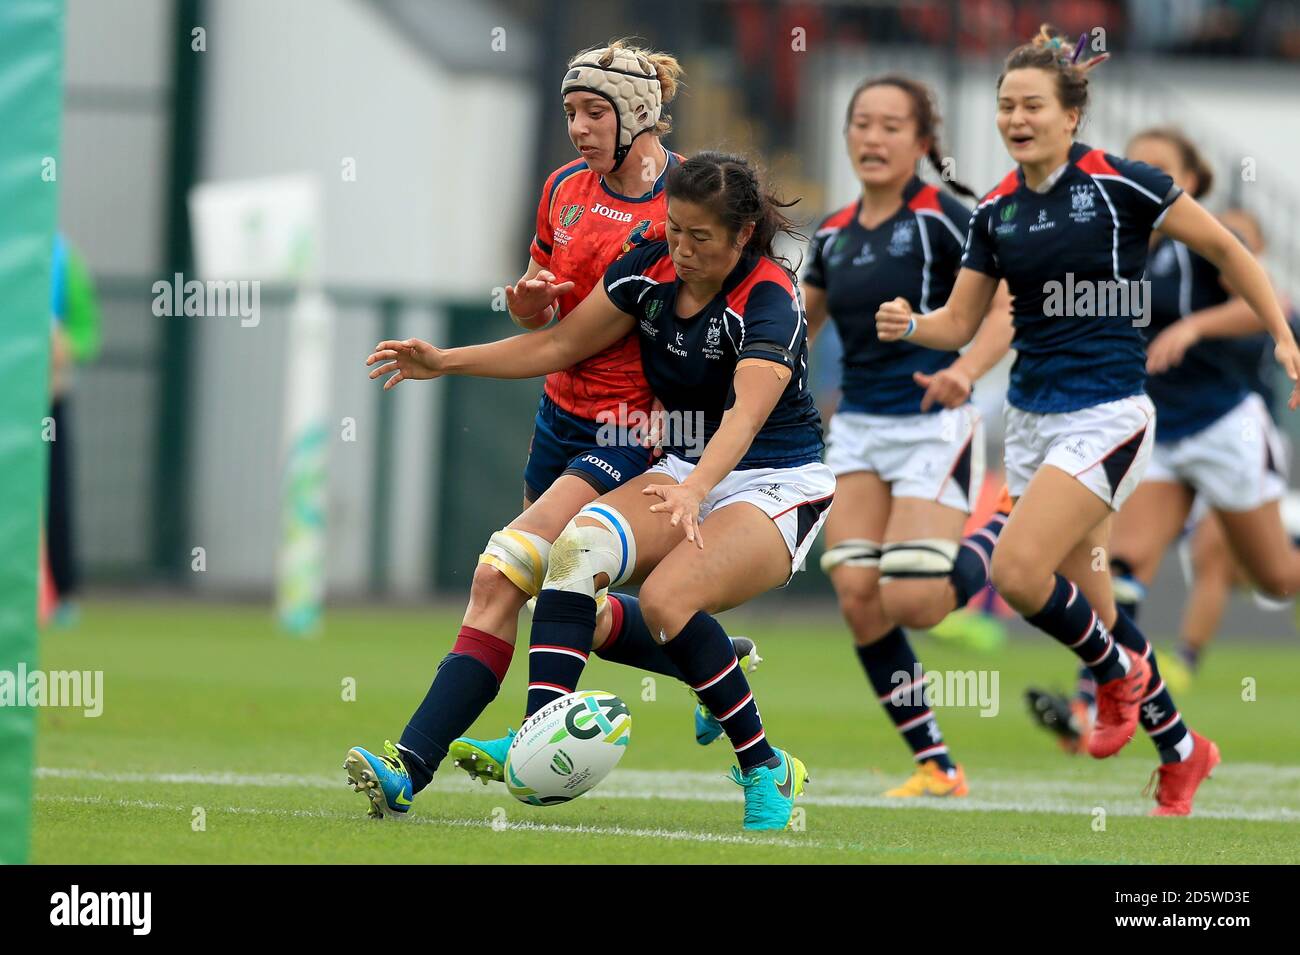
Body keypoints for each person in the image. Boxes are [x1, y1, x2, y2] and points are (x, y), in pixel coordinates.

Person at [877, 26, 1300, 815]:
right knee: (1098, 611)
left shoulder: (1122, 184)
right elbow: (964, 320)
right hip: (1036, 424)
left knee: (1016, 573)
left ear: (1072, 116)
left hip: (1108, 415)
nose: (1016, 117)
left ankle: (1116, 678)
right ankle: (1183, 749)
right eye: (1006, 105)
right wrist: (915, 324)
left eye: (1033, 104)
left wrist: (1282, 335)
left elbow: (1233, 254)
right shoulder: (996, 208)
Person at [367, 152, 834, 830]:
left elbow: (747, 416)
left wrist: (697, 486)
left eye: (700, 237)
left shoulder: (768, 297)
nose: (682, 247)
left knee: (671, 600)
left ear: (743, 235)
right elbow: (558, 344)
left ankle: (766, 766)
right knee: (574, 549)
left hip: (774, 481)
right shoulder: (652, 264)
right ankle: (540, 730)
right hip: (683, 469)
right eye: (675, 228)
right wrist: (445, 361)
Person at [344, 39, 696, 819]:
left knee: (500, 571)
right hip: (559, 414)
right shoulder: (566, 187)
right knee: (573, 599)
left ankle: (412, 763)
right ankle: (710, 664)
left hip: (631, 428)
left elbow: (571, 341)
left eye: (595, 110)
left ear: (638, 113)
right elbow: (540, 309)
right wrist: (527, 296)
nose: (577, 126)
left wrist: (446, 360)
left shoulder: (681, 208)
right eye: (571, 110)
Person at [801, 74, 1015, 797]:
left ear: (923, 142)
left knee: (915, 600)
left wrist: (967, 371)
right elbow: (796, 330)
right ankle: (937, 763)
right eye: (861, 122)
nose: (872, 136)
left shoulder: (946, 218)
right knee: (858, 591)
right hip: (860, 426)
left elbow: (1008, 302)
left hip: (933, 420)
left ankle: (1008, 531)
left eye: (892, 125)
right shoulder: (831, 233)